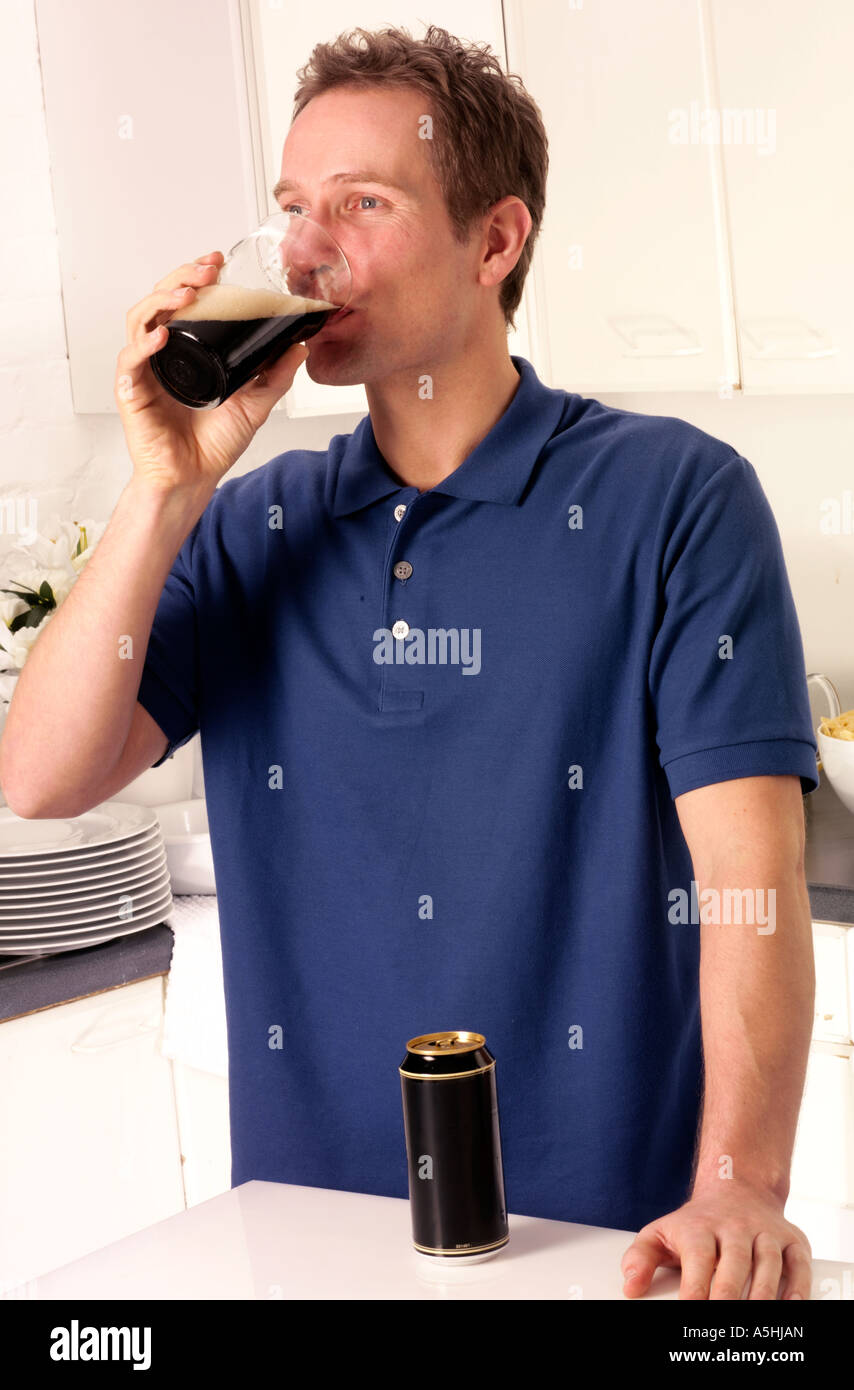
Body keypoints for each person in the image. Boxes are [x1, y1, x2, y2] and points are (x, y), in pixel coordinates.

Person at [0, 26, 818, 1301]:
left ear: (494, 242)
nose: (306, 249)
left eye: (362, 204)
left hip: (605, 1251)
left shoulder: (674, 500)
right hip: (302, 1239)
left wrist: (738, 1183)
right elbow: (40, 779)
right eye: (292, 208)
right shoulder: (250, 522)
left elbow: (746, 880)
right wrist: (163, 486)